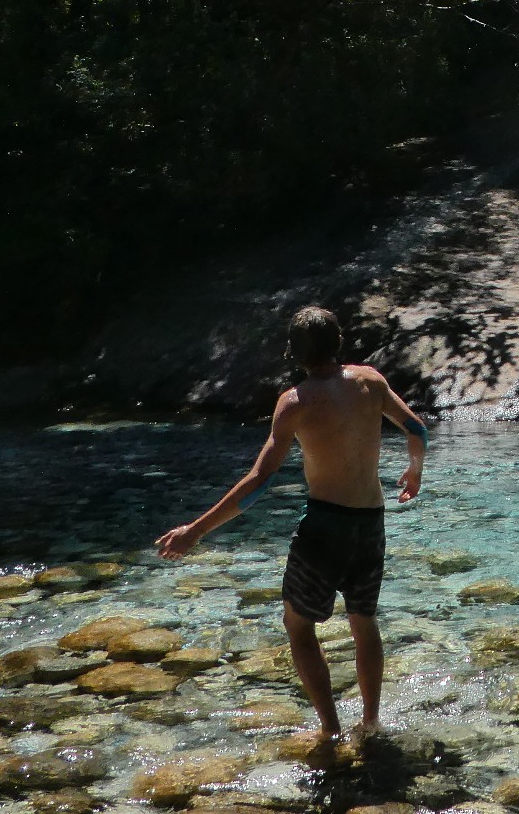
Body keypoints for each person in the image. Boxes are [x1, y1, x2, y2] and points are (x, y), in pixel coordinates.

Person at [156, 306, 427, 755]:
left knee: (298, 625)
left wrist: (196, 530)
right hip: (370, 524)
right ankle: (372, 723)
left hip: (325, 527)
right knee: (363, 620)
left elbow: (259, 482)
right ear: (338, 342)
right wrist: (413, 472)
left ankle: (331, 730)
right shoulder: (371, 381)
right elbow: (416, 428)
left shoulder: (295, 402)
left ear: (294, 353)